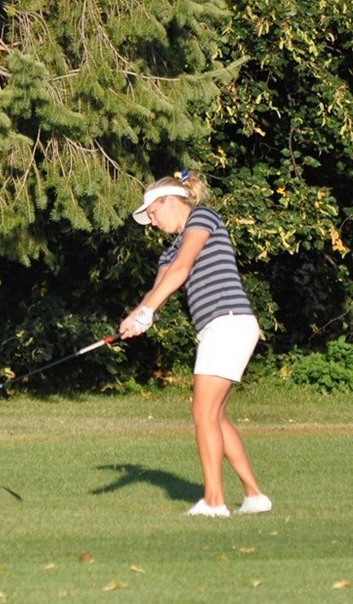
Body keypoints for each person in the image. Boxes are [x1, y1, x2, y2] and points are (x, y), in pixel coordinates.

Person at [119, 169, 272, 518]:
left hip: (229, 322)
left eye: (153, 214)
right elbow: (160, 284)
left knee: (202, 412)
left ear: (168, 202)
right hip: (219, 327)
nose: (152, 222)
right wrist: (137, 318)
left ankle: (214, 502)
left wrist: (146, 311)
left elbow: (183, 270)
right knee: (214, 415)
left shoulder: (202, 217)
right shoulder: (168, 252)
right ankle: (254, 496)